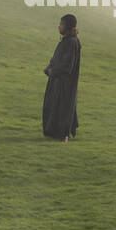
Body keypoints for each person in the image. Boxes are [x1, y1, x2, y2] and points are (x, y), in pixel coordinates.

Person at [42, 13, 81, 142]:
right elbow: (56, 59)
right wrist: (49, 67)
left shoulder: (71, 42)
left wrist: (52, 71)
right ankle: (53, 132)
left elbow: (67, 66)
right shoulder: (66, 41)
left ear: (68, 26)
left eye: (62, 24)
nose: (59, 26)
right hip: (58, 81)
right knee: (54, 107)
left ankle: (62, 134)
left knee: (62, 108)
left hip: (65, 84)